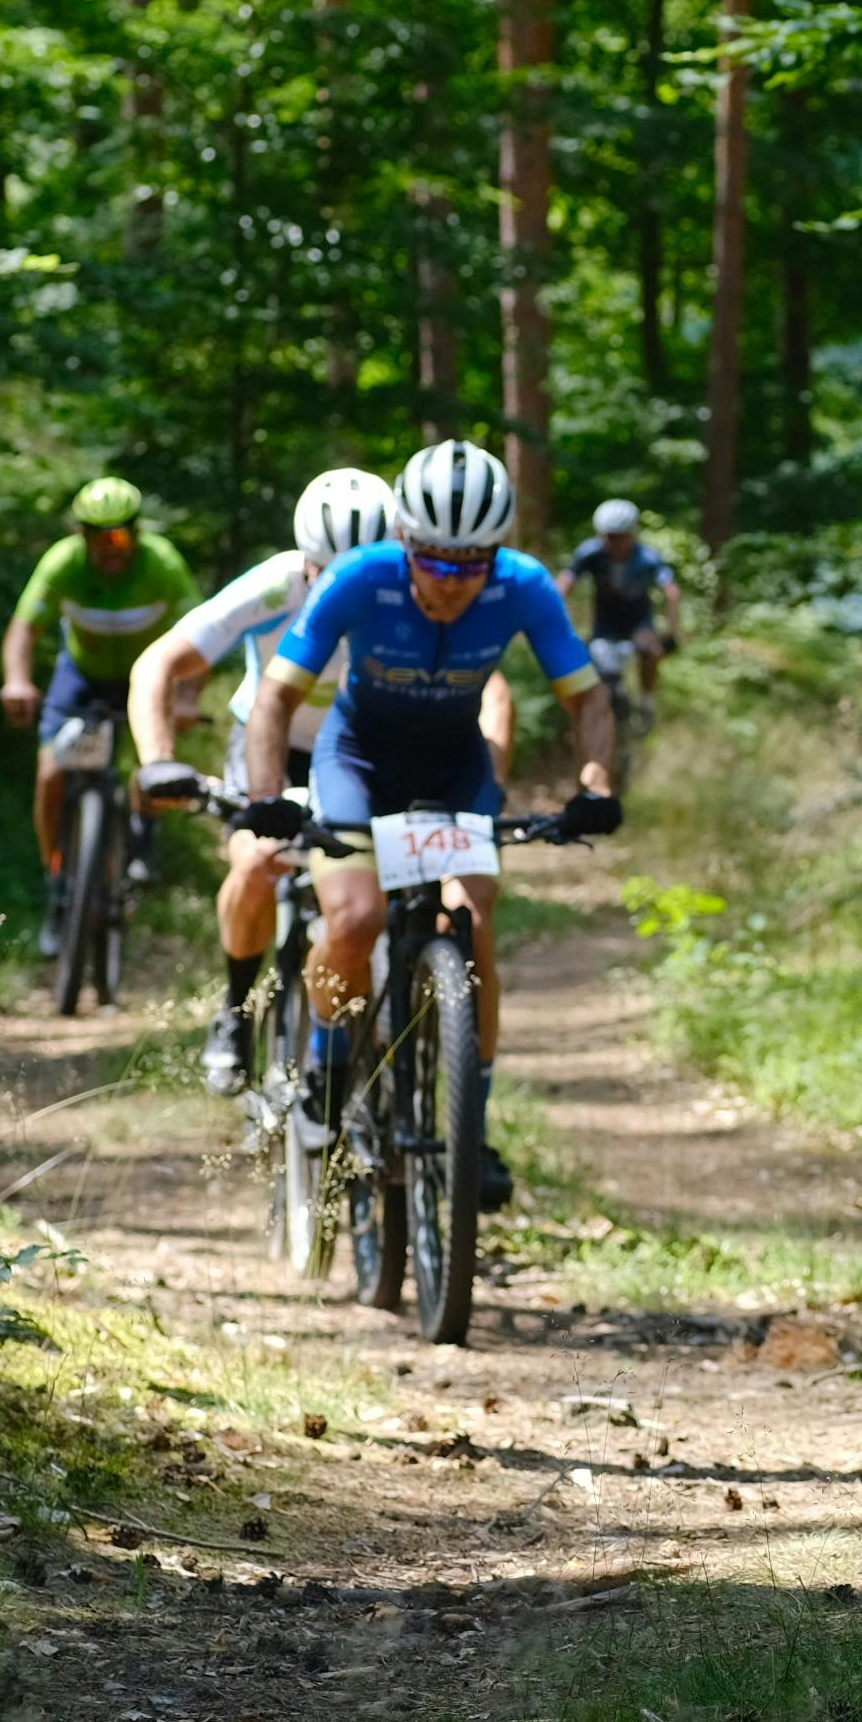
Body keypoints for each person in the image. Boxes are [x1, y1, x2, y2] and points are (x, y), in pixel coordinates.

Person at [228, 442, 623, 1193]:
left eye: (471, 565)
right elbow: (276, 697)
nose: (451, 584)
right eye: (436, 563)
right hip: (358, 761)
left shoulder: (526, 587)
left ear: (496, 555)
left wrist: (595, 784)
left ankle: (470, 1128)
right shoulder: (357, 576)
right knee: (351, 920)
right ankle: (326, 1065)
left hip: (453, 767)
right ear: (404, 542)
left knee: (473, 923)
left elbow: (587, 695)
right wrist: (267, 793)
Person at [128, 466, 509, 1098]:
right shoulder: (276, 583)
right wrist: (158, 758)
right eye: (319, 572)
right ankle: (236, 1008)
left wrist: (492, 775)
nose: (332, 586)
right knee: (257, 861)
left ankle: (400, 1032)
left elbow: (490, 685)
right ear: (304, 560)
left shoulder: (409, 586)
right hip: (276, 750)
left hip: (375, 755)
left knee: (411, 896)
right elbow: (160, 662)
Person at [0, 476, 202, 954]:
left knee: (155, 763)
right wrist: (17, 680)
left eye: (119, 536)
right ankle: (57, 879)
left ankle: (143, 838)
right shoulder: (63, 563)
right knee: (51, 772)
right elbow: (24, 629)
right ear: (80, 534)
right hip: (83, 676)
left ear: (136, 532)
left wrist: (188, 695)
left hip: (146, 679)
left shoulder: (163, 565)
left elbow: (201, 635)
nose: (109, 547)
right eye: (96, 535)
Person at [568, 498, 683, 699]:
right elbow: (564, 584)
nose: (617, 544)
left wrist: (671, 633)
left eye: (623, 537)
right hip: (605, 624)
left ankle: (647, 701)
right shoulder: (590, 554)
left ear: (633, 534)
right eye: (611, 538)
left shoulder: (648, 557)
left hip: (639, 623)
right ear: (601, 535)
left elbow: (671, 591)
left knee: (651, 652)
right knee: (601, 670)